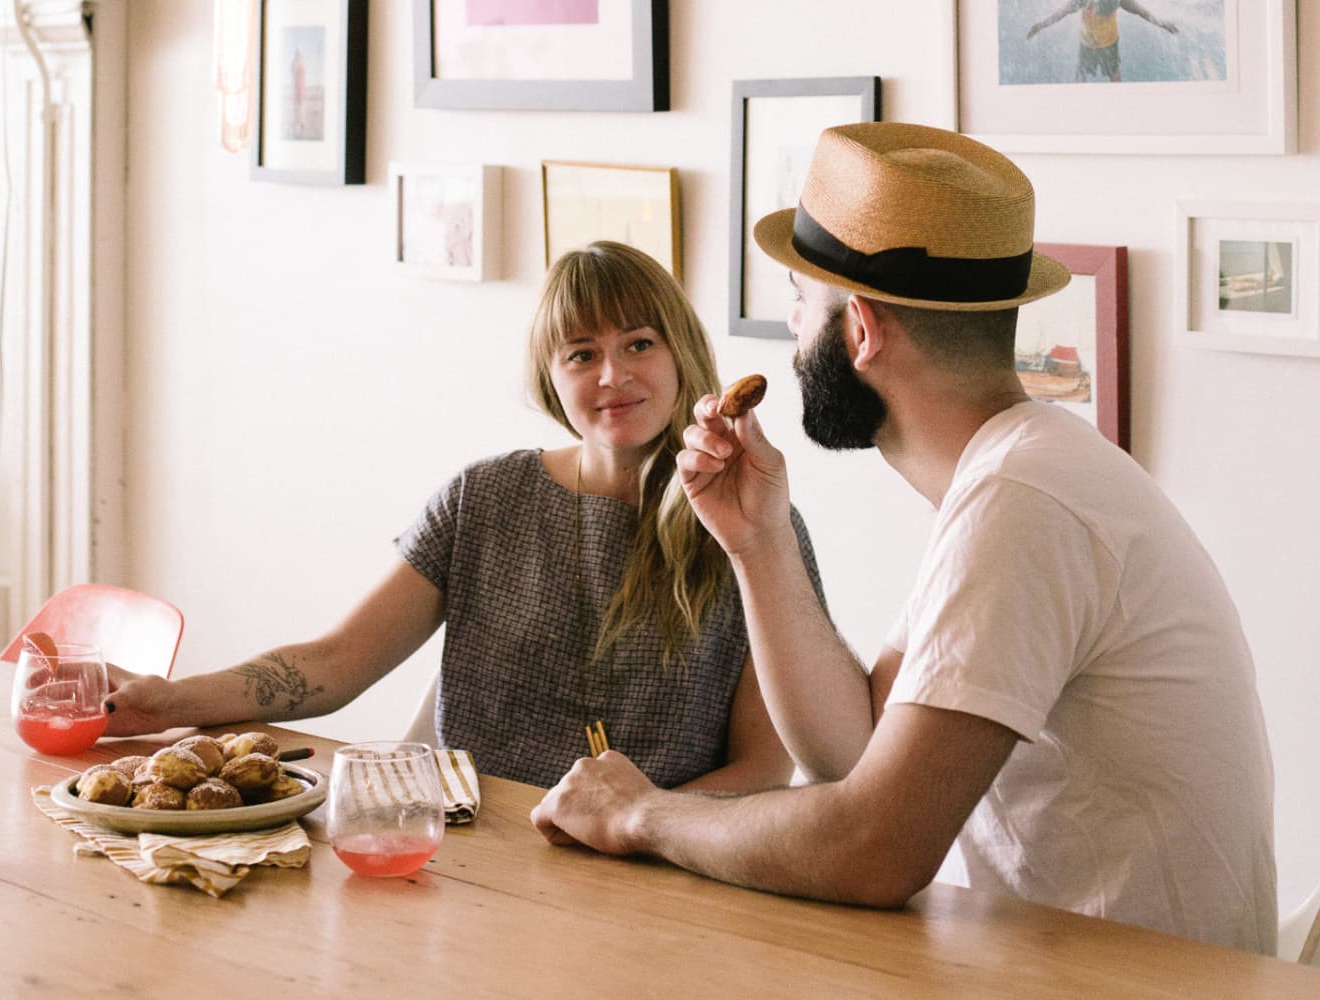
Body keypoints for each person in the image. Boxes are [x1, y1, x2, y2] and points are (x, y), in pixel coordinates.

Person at [530, 124, 1278, 953]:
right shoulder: (1014, 473)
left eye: (799, 304)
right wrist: (758, 543)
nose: (790, 332)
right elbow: (854, 751)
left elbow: (873, 849)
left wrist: (640, 813)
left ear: (860, 329)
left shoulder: (1023, 501)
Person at [103, 241, 823, 793]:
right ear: (550, 375)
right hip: (476, 857)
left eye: (639, 343)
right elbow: (335, 664)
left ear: (680, 351)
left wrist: (641, 825)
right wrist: (166, 702)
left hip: (667, 878)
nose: (613, 376)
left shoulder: (752, 526)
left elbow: (764, 770)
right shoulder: (483, 501)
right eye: (582, 353)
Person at [1026, 0, 1179, 83]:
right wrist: (1040, 26)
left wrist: (1163, 23)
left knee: (1113, 74)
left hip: (1109, 44)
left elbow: (1144, 13)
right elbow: (1059, 14)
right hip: (1088, 44)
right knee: (1080, 76)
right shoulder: (1081, 1)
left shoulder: (1120, 1)